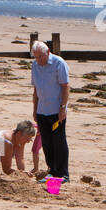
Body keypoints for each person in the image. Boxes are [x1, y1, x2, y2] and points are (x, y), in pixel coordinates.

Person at [30, 41, 70, 182]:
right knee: (46, 143)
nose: (38, 60)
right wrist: (35, 109)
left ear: (47, 52)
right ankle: (52, 170)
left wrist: (63, 108)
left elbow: (65, 87)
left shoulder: (59, 63)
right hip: (42, 110)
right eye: (36, 57)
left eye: (40, 56)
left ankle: (63, 174)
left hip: (56, 110)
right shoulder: (35, 65)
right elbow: (36, 89)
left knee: (58, 141)